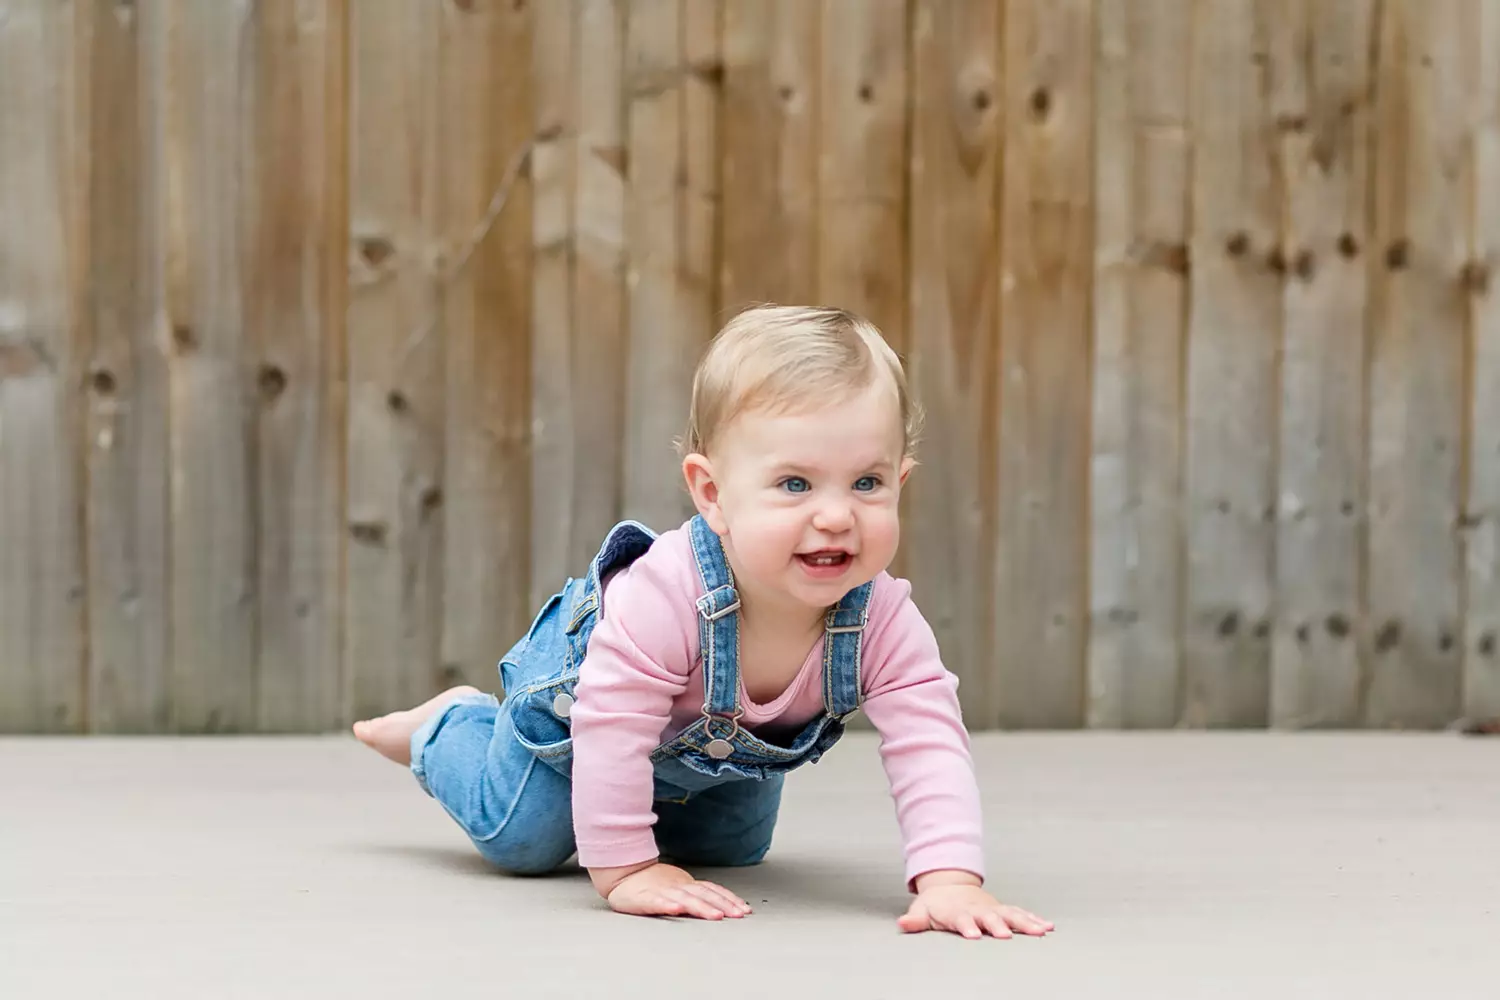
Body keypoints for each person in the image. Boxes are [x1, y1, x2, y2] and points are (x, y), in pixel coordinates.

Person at [353, 304, 1054, 941]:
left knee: (732, 856)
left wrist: (950, 880)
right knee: (524, 840)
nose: (837, 515)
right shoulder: (668, 592)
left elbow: (929, 741)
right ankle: (446, 729)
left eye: (865, 483)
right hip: (578, 721)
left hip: (713, 759)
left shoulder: (883, 619)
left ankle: (652, 816)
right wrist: (627, 869)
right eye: (796, 484)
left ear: (899, 482)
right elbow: (615, 724)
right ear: (713, 494)